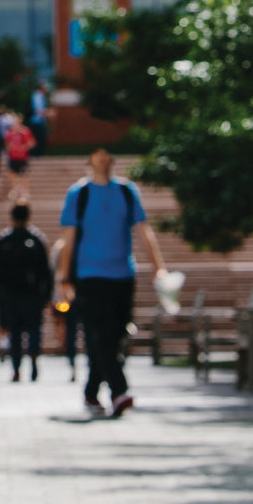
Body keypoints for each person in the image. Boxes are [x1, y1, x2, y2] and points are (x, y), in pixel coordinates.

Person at [57, 147, 170, 418]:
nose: (102, 159)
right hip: (89, 274)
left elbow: (144, 231)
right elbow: (68, 239)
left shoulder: (127, 191)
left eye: (107, 154)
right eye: (97, 154)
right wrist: (64, 277)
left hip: (122, 274)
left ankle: (90, 391)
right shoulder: (79, 194)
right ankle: (119, 391)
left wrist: (159, 267)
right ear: (89, 159)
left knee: (114, 335)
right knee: (100, 333)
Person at [0, 203, 56, 381]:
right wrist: (47, 294)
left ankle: (16, 369)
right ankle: (33, 359)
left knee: (15, 333)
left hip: (9, 295)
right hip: (32, 295)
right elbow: (46, 271)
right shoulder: (37, 239)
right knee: (34, 331)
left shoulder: (4, 240)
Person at [0, 112, 35, 208]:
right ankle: (15, 189)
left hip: (22, 157)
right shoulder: (10, 132)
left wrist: (24, 147)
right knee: (12, 174)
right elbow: (7, 143)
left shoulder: (25, 131)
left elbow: (31, 142)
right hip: (13, 157)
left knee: (24, 175)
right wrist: (11, 147)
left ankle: (25, 192)